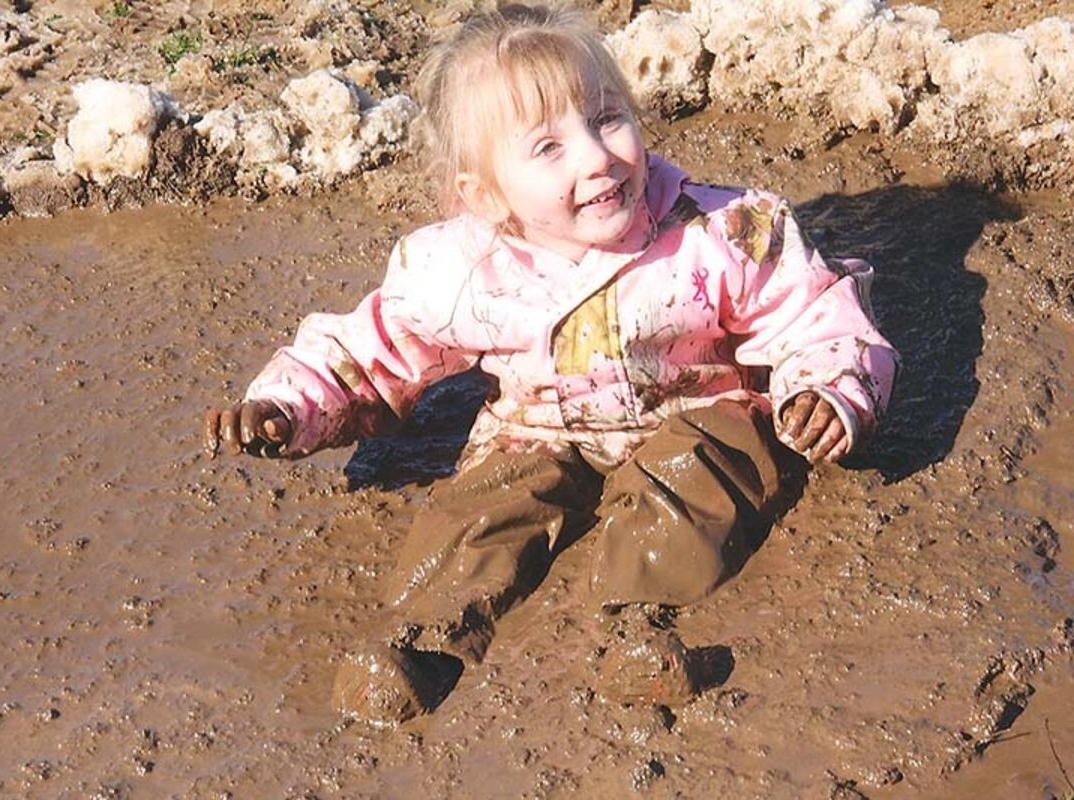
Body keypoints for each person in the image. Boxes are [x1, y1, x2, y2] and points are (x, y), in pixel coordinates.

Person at [203, 4, 897, 726]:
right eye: (548, 147)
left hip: (694, 412)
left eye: (606, 118)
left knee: (705, 471)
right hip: (540, 428)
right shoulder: (460, 269)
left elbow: (812, 310)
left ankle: (636, 623)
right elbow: (367, 349)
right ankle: (420, 636)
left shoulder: (720, 232)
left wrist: (827, 389)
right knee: (482, 503)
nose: (596, 158)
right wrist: (285, 407)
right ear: (485, 195)